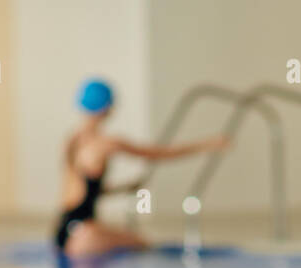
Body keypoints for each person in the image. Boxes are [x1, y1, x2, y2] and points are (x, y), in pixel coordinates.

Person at [54, 79, 230, 257]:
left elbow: (84, 192)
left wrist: (125, 187)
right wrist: (207, 145)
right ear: (108, 108)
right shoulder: (106, 143)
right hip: (85, 233)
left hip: (63, 230)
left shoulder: (71, 140)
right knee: (142, 243)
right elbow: (158, 155)